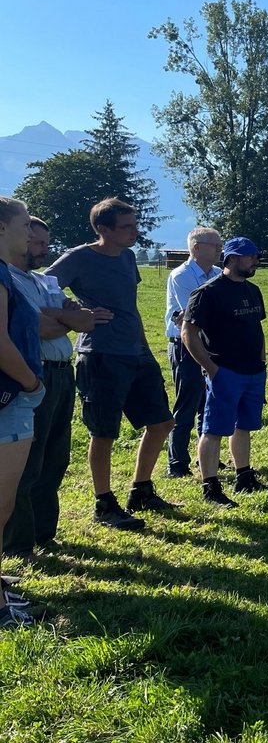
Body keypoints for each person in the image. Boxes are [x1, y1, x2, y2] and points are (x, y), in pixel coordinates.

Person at [46, 197, 176, 531]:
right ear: (103, 229)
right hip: (100, 354)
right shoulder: (79, 257)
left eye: (135, 224)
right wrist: (71, 310)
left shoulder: (128, 257)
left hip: (137, 352)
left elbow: (128, 305)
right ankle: (104, 504)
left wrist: (146, 350)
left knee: (161, 422)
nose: (135, 231)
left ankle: (141, 490)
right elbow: (42, 287)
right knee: (104, 432)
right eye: (127, 226)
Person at [4, 217, 99, 564]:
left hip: (62, 373)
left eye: (45, 243)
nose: (43, 249)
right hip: (34, 371)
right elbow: (34, 329)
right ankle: (18, 543)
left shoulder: (46, 281)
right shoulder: (8, 280)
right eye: (36, 243)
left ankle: (45, 533)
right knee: (27, 461)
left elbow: (85, 320)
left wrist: (59, 316)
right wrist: (63, 318)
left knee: (55, 457)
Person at [182, 237, 268, 507]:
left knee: (243, 425)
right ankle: (210, 486)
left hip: (253, 371)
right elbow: (189, 333)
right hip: (225, 371)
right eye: (249, 256)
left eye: (255, 255)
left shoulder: (253, 290)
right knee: (214, 429)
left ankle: (244, 475)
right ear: (231, 258)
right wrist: (211, 368)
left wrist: (262, 360)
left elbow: (257, 328)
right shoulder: (208, 292)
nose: (255, 260)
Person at [0, 197, 46, 628]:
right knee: (1, 502)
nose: (31, 234)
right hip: (9, 399)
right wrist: (31, 384)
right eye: (23, 226)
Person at [164, 226, 222, 477]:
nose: (220, 250)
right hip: (185, 345)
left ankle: (205, 457)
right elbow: (197, 312)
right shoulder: (182, 275)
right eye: (215, 246)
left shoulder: (219, 273)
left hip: (210, 344)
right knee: (186, 403)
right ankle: (176, 462)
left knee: (208, 403)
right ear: (196, 248)